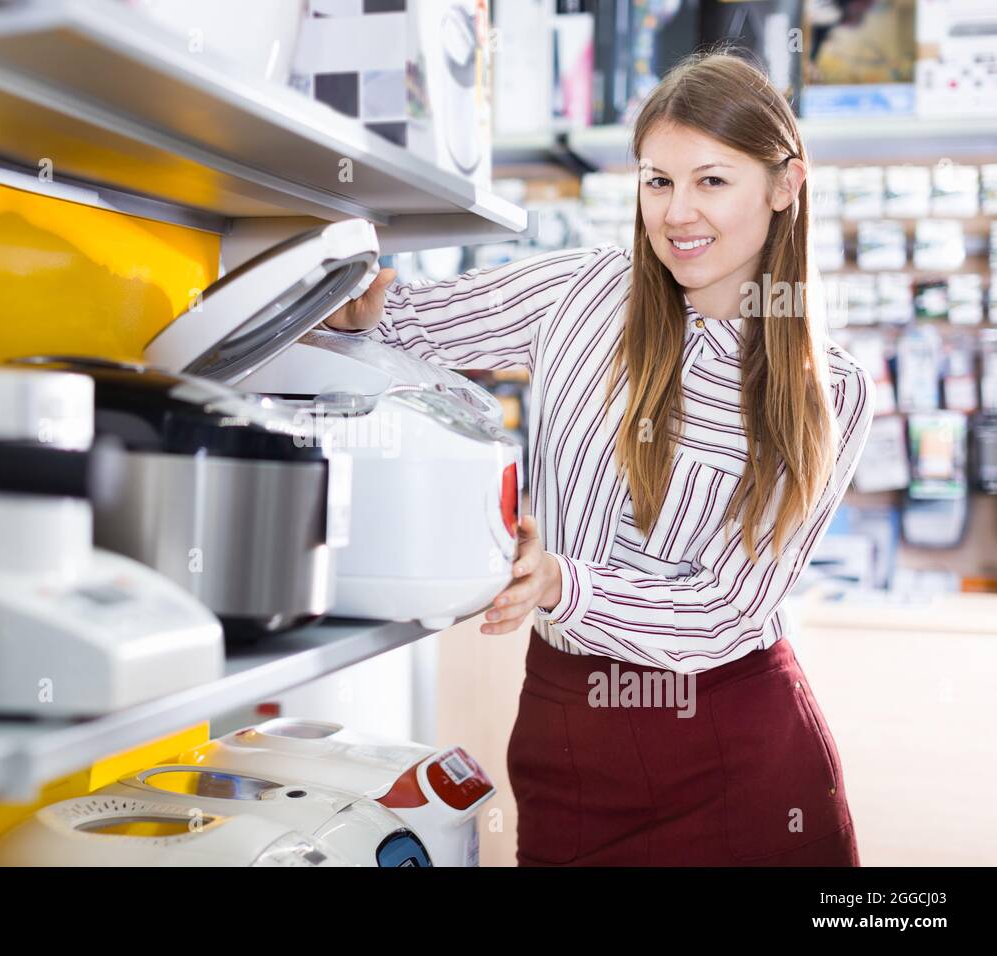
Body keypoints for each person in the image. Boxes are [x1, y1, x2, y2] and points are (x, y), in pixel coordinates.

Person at [322, 52, 875, 866]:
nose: (678, 213)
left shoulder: (827, 388)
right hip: (567, 733)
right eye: (657, 182)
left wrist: (560, 582)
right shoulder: (578, 296)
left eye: (712, 181)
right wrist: (337, 300)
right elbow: (397, 322)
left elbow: (725, 607)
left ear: (786, 183)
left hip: (733, 747)